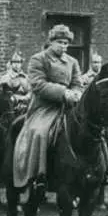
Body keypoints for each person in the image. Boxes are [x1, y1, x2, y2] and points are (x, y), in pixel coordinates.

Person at [13, 24, 82, 191]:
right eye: (59, 42)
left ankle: (102, 171)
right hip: (44, 107)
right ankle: (38, 175)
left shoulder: (72, 62)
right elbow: (38, 84)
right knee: (40, 132)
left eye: (66, 43)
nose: (63, 46)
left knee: (90, 129)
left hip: (68, 106)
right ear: (51, 42)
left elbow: (77, 83)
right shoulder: (39, 59)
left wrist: (76, 93)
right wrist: (63, 92)